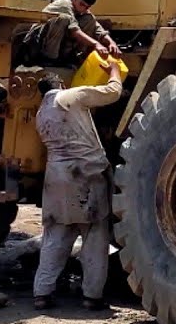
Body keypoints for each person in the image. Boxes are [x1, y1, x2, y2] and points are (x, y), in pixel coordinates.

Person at [32, 59, 123, 311]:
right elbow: (113, 93)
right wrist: (114, 70)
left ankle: (42, 293)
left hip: (56, 180)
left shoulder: (41, 114)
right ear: (61, 84)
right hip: (86, 177)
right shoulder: (71, 95)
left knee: (56, 237)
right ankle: (92, 296)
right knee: (94, 237)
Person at [19, 0, 120, 67]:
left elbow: (97, 28)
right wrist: (96, 44)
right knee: (64, 19)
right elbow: (74, 31)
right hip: (37, 44)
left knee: (89, 19)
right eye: (81, 4)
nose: (83, 9)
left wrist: (111, 43)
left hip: (58, 45)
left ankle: (70, 58)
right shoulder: (64, 5)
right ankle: (49, 58)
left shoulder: (80, 10)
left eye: (87, 7)